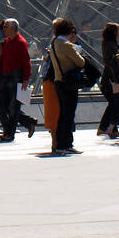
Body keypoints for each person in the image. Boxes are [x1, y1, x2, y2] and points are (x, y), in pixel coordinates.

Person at [0, 18, 36, 141]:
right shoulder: (6, 42)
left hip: (17, 77)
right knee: (0, 106)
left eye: (6, 27)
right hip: (6, 76)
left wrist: (26, 79)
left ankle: (9, 133)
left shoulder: (21, 42)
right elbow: (2, 59)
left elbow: (26, 62)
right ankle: (28, 122)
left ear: (12, 28)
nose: (4, 29)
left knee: (13, 107)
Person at [48, 18, 85, 154]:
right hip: (69, 82)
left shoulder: (54, 44)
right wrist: (78, 51)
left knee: (63, 114)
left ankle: (61, 144)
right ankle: (66, 144)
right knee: (68, 114)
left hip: (58, 80)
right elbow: (80, 62)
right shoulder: (66, 45)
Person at [97, 7, 119, 137]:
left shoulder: (108, 42)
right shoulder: (109, 45)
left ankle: (109, 127)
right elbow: (109, 63)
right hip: (109, 80)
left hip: (109, 80)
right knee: (114, 103)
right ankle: (105, 127)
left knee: (114, 103)